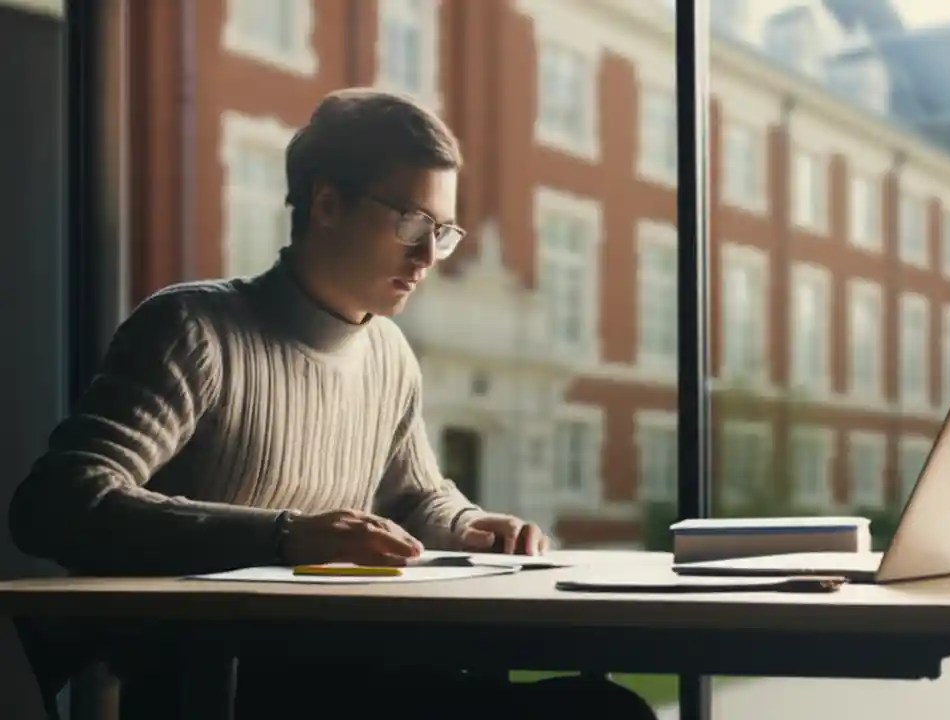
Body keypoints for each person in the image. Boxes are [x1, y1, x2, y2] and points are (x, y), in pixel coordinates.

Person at [9, 87, 656, 719]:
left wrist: (470, 526)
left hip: (353, 665)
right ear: (326, 204)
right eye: (411, 222)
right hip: (220, 686)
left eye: (443, 232)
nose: (428, 256)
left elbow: (414, 498)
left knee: (607, 708)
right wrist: (286, 536)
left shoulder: (389, 352)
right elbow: (56, 503)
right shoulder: (193, 330)